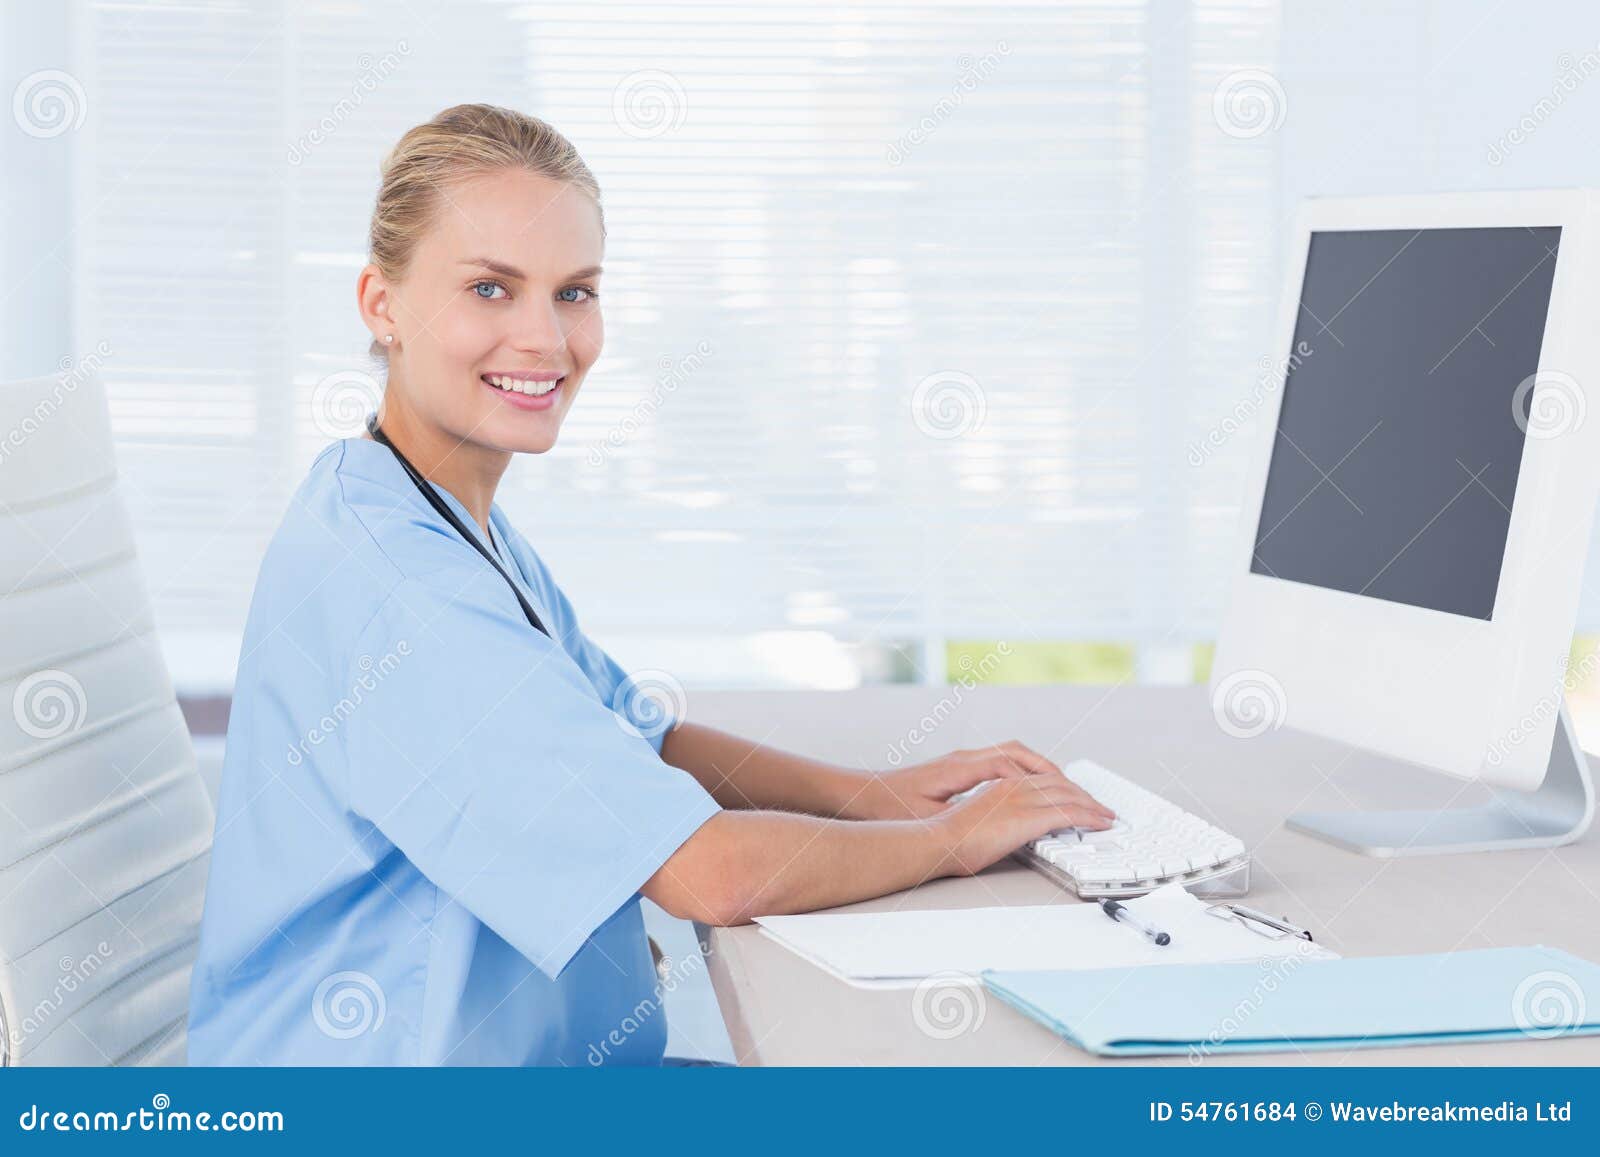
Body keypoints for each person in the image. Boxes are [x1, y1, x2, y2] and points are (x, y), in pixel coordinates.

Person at [186, 103, 1114, 1066]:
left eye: (575, 292)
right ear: (381, 303)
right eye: (491, 289)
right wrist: (957, 840)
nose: (545, 338)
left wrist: (877, 795)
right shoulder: (403, 588)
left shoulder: (424, 509)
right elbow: (710, 877)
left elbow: (644, 737)